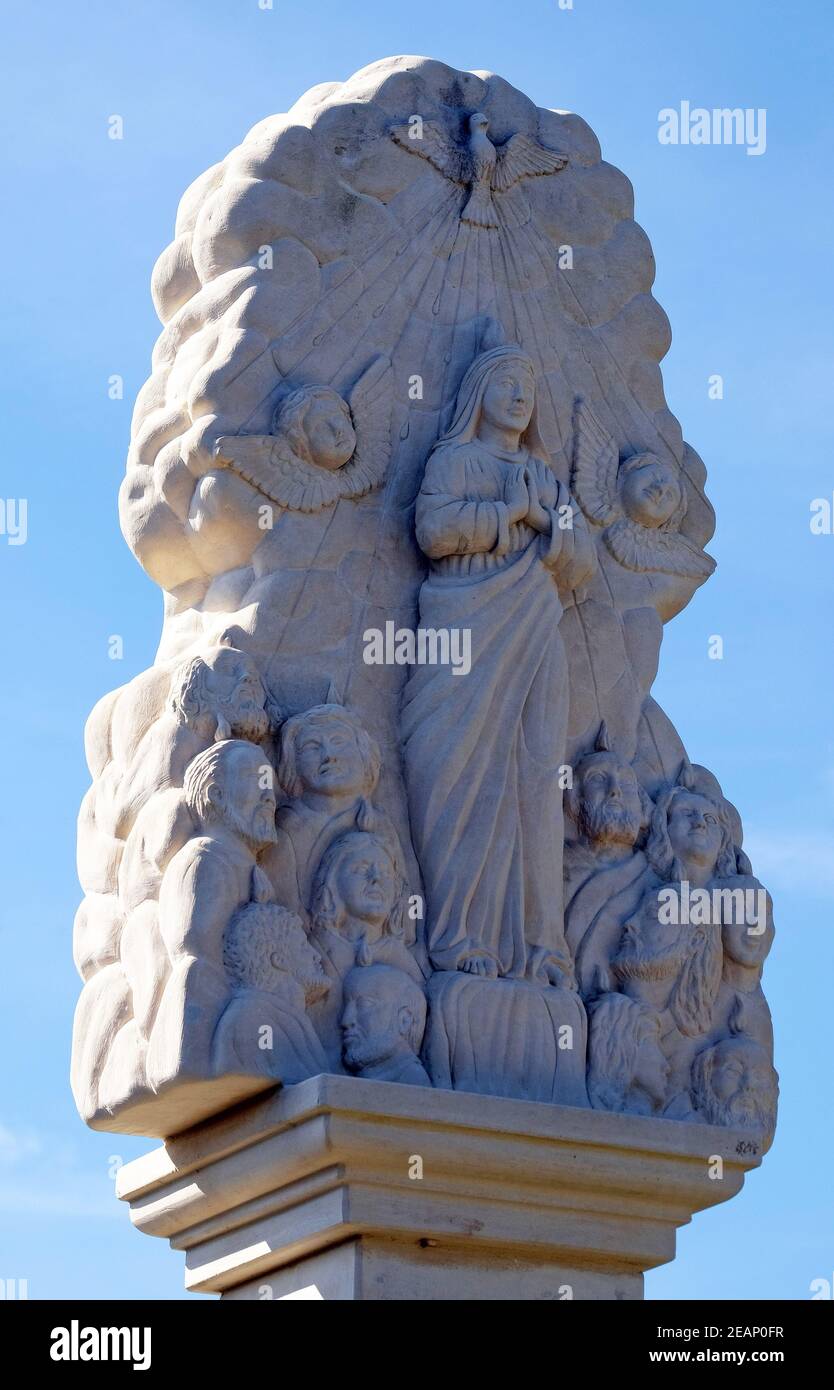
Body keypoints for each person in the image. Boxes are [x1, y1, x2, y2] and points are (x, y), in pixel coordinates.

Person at [402, 344, 596, 985]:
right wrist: (504, 515)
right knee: (462, 771)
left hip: (537, 629)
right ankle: (460, 937)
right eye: (508, 380)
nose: (520, 394)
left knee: (538, 781)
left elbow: (582, 564)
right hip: (465, 628)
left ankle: (544, 949)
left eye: (529, 384)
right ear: (479, 390)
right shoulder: (456, 460)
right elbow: (432, 533)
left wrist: (543, 518)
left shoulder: (545, 479)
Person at [340, 965, 431, 1086]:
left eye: (364, 1004)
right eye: (346, 1005)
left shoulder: (412, 1084)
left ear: (404, 1020)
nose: (345, 1021)